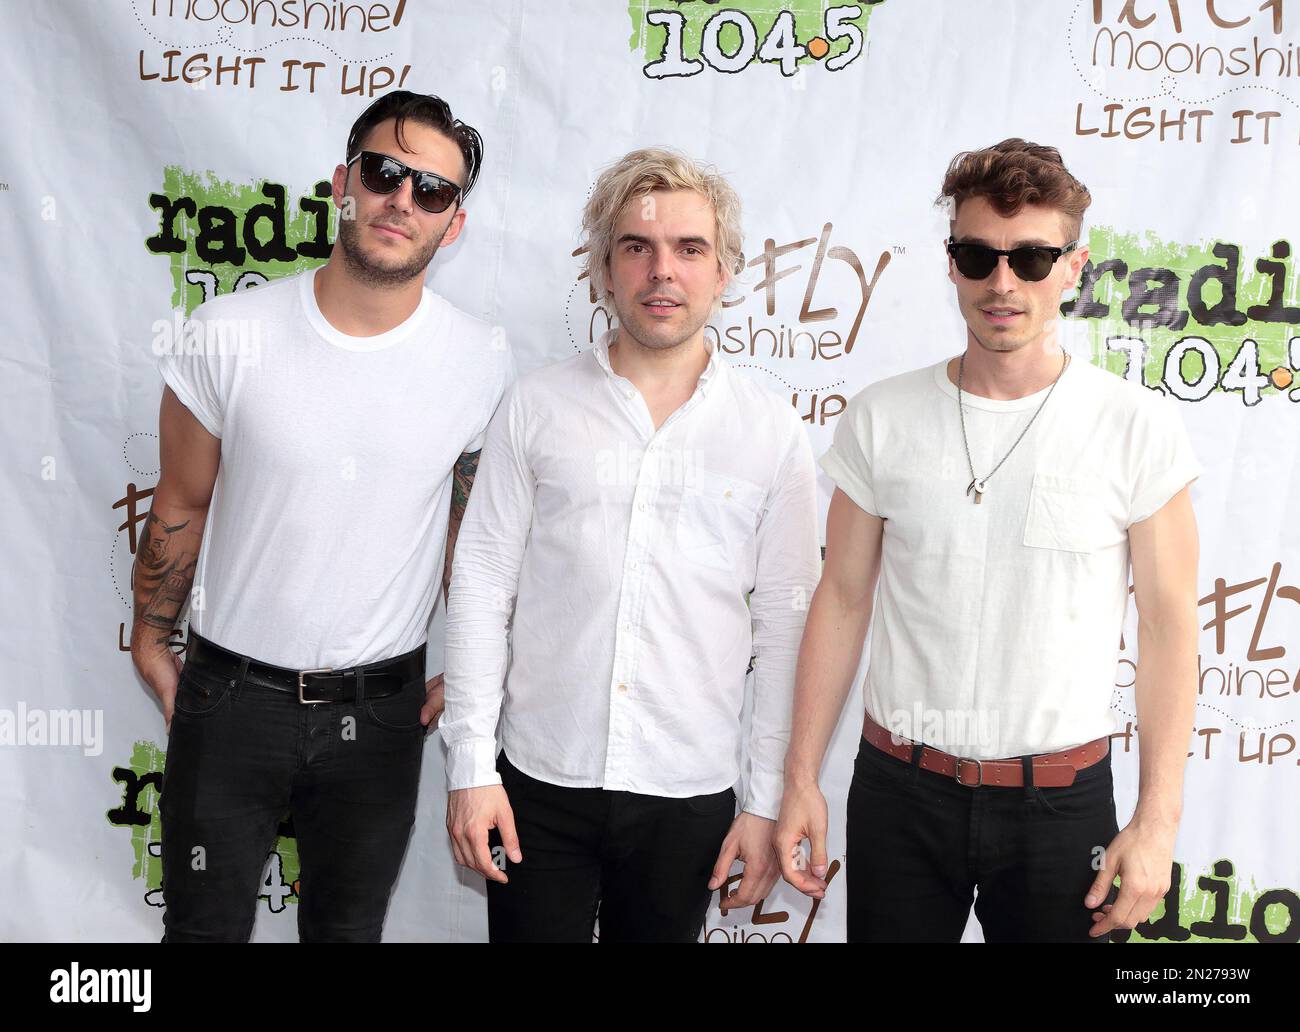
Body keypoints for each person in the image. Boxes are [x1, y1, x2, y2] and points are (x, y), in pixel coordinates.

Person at [775, 138, 1202, 943]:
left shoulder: (1134, 427)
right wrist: (799, 777)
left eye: (1032, 259)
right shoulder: (881, 417)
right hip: (900, 796)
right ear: (952, 264)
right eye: (978, 256)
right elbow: (841, 598)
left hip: (1061, 804)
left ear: (1073, 268)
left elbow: (1170, 626)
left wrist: (1158, 823)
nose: (1002, 283)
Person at [130, 90, 513, 942]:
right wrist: (151, 641)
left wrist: (481, 675)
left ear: (453, 225)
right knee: (200, 932)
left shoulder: (478, 361)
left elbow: (471, 543)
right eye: (384, 172)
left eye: (432, 190)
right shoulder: (227, 332)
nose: (401, 200)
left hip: (381, 714)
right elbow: (181, 503)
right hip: (228, 701)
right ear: (344, 181)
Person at [441, 147, 821, 942]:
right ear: (603, 270)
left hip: (688, 794)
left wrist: (762, 801)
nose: (662, 271)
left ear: (725, 273)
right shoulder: (535, 406)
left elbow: (786, 627)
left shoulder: (772, 433)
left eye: (690, 249)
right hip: (538, 783)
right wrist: (472, 769)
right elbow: (480, 583)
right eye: (636, 247)